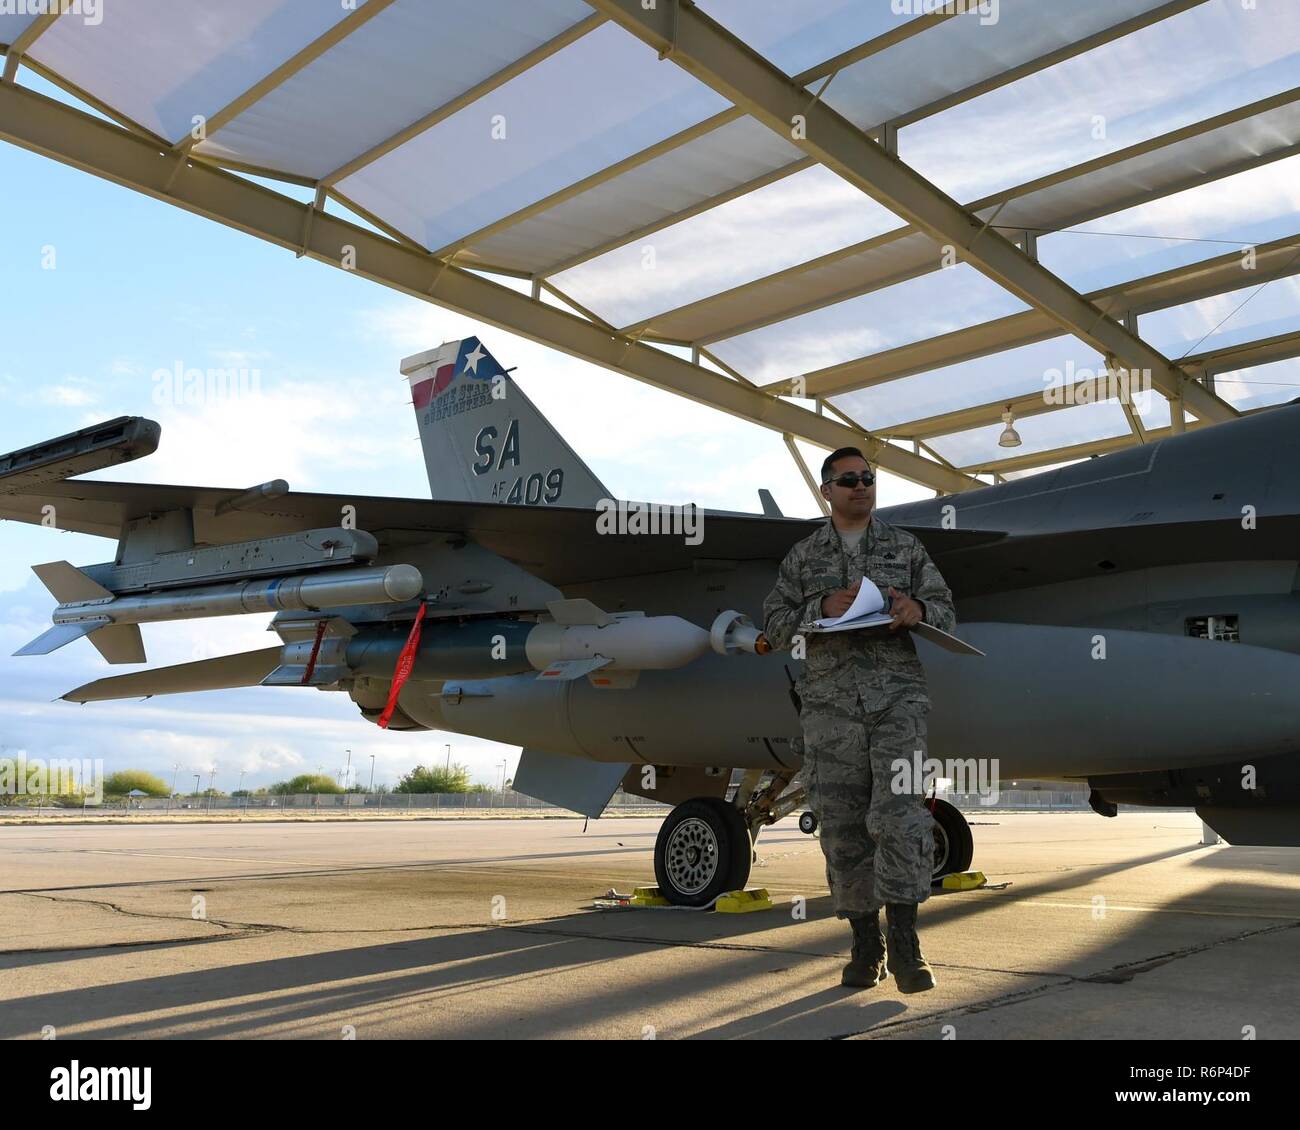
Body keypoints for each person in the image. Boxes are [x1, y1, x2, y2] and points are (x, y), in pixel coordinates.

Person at [762, 447, 956, 992]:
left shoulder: (905, 547)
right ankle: (864, 945)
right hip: (829, 708)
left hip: (897, 701)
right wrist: (820, 608)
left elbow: (944, 609)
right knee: (843, 826)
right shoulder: (803, 557)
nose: (861, 487)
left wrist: (917, 609)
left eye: (868, 478)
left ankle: (906, 946)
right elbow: (774, 624)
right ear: (827, 491)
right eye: (849, 480)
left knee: (900, 817)